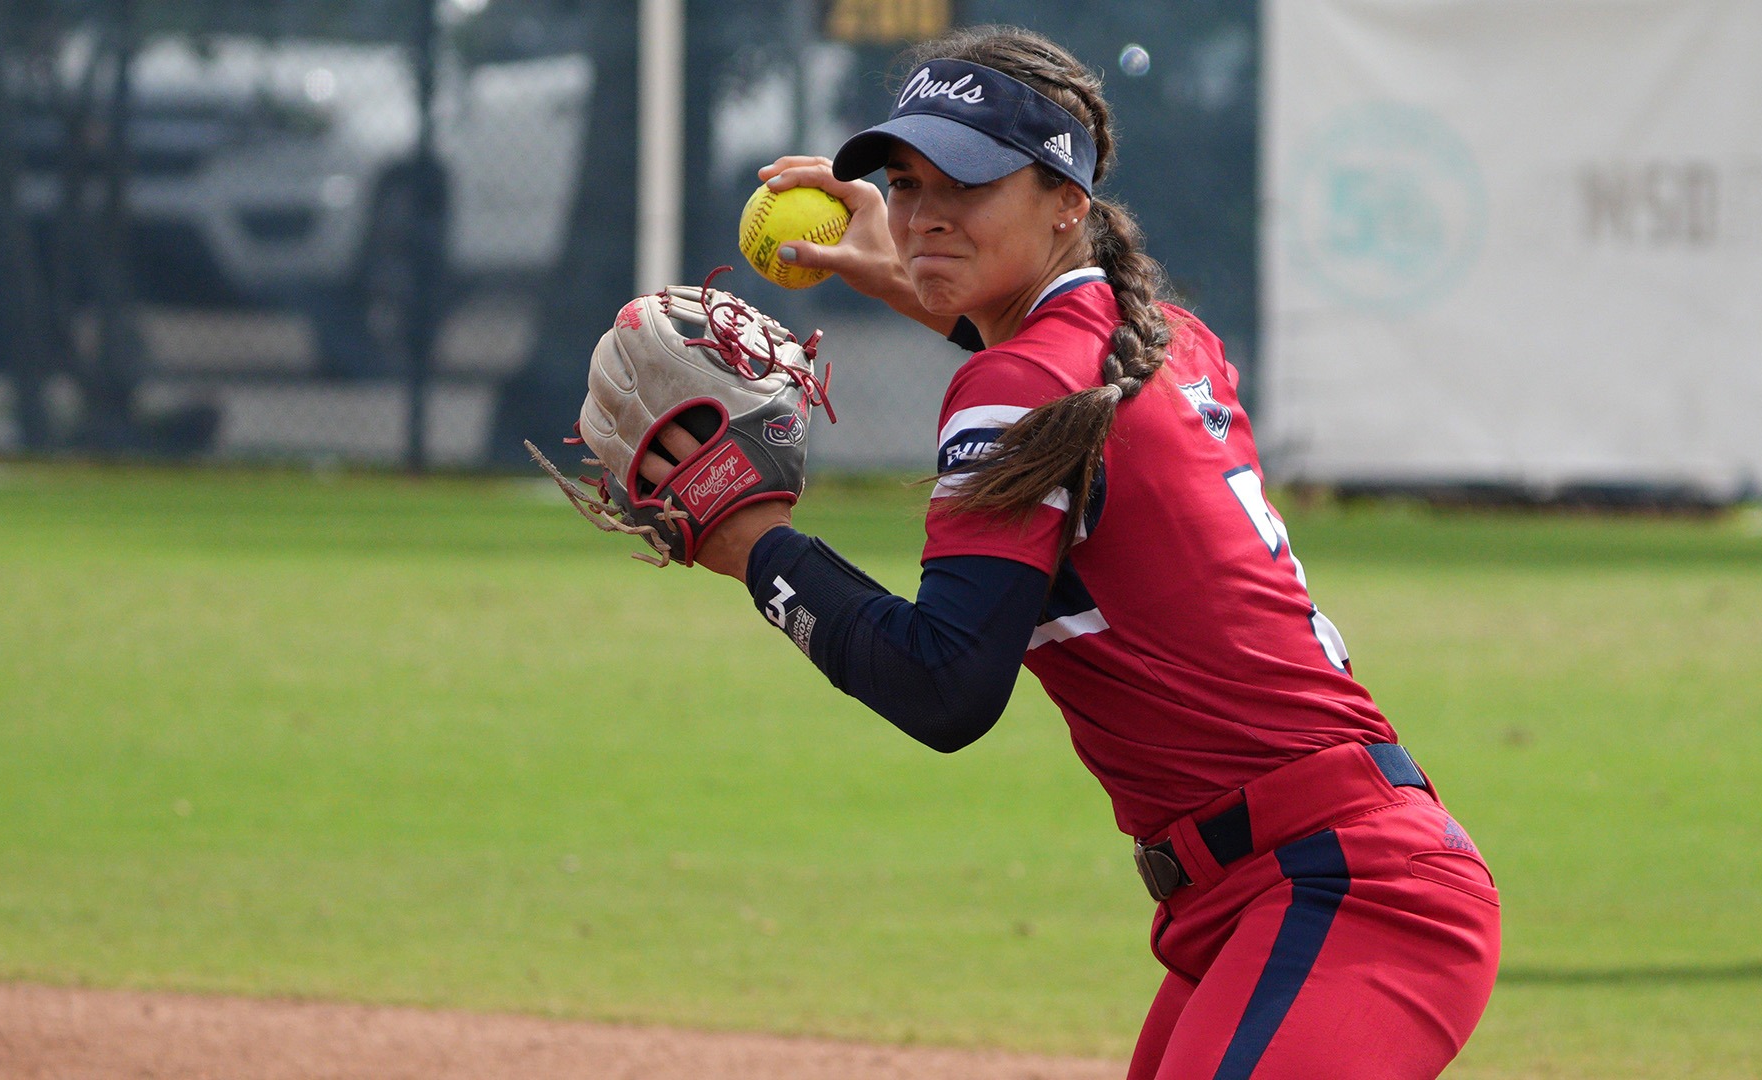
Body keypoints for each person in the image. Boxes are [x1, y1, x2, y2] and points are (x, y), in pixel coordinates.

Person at [636, 25, 1500, 1080]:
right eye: (905, 182)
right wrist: (926, 283)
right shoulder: (1174, 340)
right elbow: (1070, 373)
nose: (923, 213)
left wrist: (756, 548)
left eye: (970, 180)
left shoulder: (1021, 386)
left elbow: (944, 685)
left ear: (1067, 203)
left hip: (1341, 896)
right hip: (1282, 888)